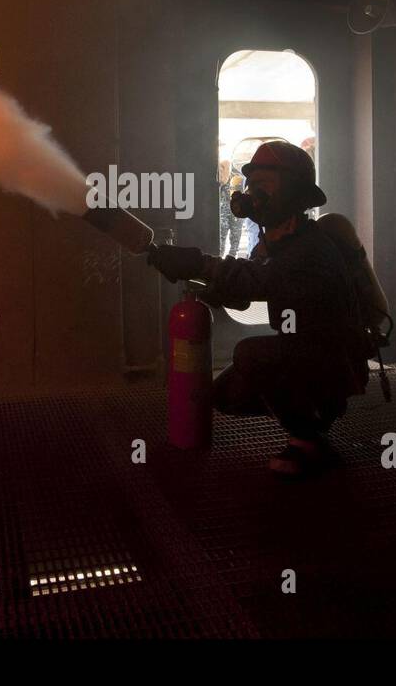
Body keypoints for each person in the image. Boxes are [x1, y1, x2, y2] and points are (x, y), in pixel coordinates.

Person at [148, 141, 371, 476]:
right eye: (252, 185)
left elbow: (258, 280)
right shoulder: (274, 242)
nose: (252, 194)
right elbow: (243, 292)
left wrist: (198, 263)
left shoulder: (311, 248)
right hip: (308, 351)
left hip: (334, 359)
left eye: (265, 186)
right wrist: (203, 285)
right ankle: (310, 411)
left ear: (293, 193)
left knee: (252, 355)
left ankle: (309, 438)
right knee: (227, 394)